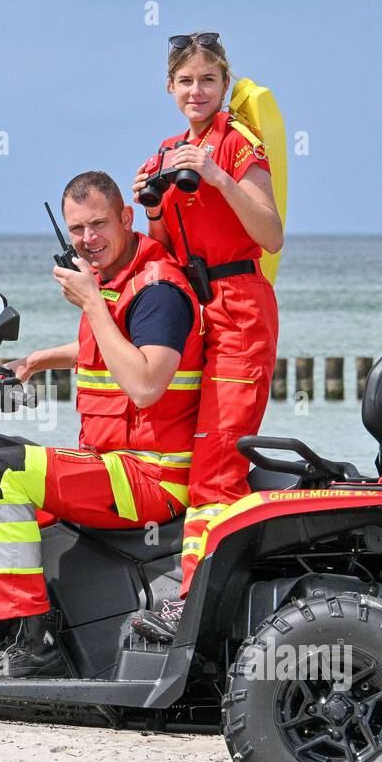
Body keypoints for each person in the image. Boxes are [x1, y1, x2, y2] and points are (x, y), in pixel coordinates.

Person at [0, 170, 203, 678]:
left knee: (1, 473)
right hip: (118, 464)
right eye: (77, 230)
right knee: (4, 451)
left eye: (98, 224)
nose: (87, 240)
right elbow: (111, 346)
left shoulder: (158, 290)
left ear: (126, 217)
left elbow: (146, 382)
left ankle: (33, 644)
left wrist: (92, 304)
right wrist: (38, 360)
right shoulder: (120, 282)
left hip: (150, 476)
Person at [130, 31, 283, 644]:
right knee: (181, 450)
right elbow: (162, 247)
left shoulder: (238, 144)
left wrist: (217, 176)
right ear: (170, 89)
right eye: (186, 81)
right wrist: (153, 199)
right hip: (193, 304)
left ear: (224, 85)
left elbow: (270, 233)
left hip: (240, 305)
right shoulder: (168, 150)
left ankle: (193, 601)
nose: (197, 91)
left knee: (219, 458)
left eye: (209, 80)